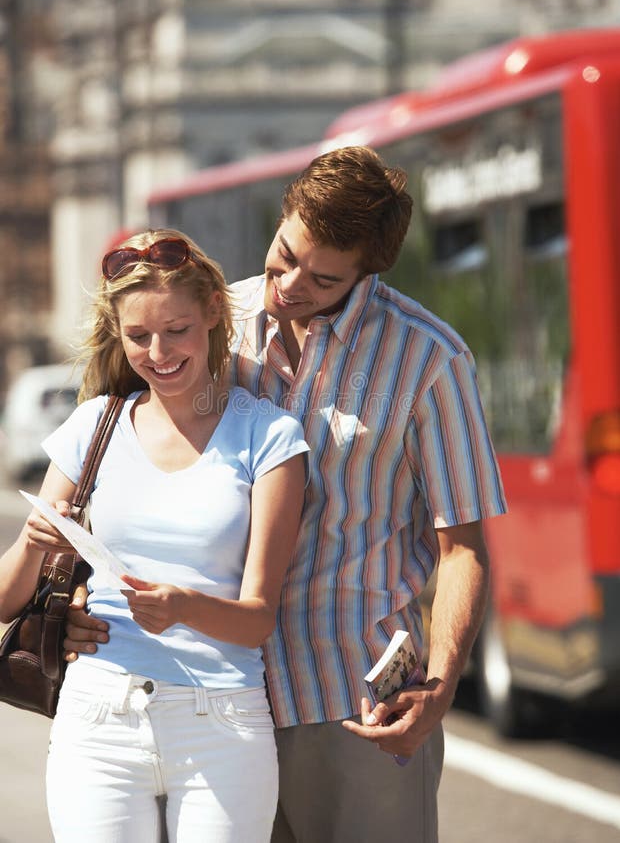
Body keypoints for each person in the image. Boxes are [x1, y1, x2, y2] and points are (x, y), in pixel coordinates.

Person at [64, 147, 507, 843]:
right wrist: (86, 592)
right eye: (284, 254)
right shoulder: (208, 316)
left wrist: (442, 683)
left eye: (323, 277)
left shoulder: (430, 359)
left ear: (368, 271)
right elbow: (122, 462)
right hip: (207, 702)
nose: (290, 284)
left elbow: (463, 546)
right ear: (282, 217)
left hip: (354, 703)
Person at [0, 229, 308, 843]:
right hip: (98, 714)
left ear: (214, 312)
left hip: (221, 723)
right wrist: (37, 543)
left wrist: (183, 608)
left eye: (176, 330)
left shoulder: (269, 437)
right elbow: (4, 602)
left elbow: (257, 620)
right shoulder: (94, 425)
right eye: (138, 336)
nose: (158, 351)